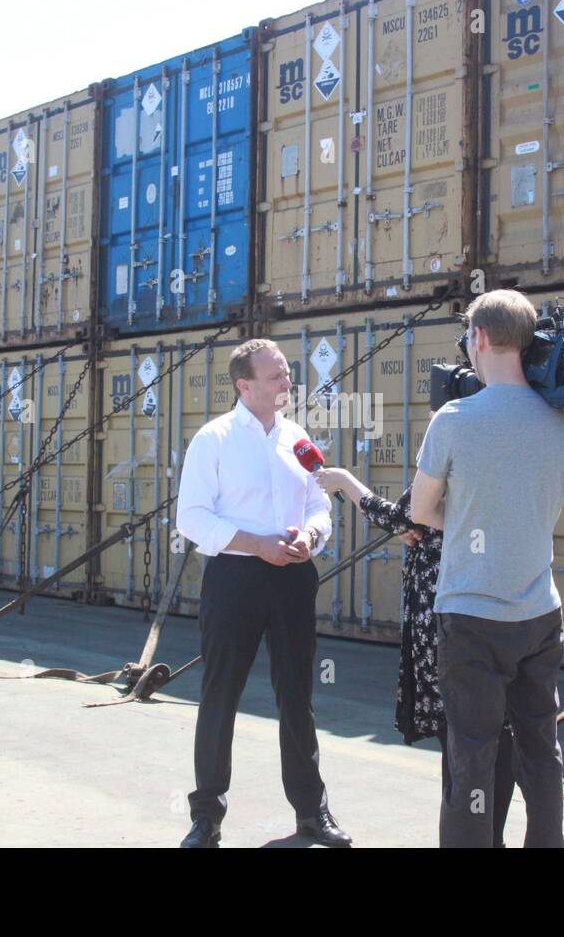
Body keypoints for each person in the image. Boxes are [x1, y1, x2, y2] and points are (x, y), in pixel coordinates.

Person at [408, 289, 564, 848]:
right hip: (539, 613)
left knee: (471, 760)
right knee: (541, 750)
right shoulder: (559, 422)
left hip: (473, 616)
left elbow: (421, 511)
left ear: (478, 338)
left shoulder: (454, 419)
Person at [174, 338, 352, 849]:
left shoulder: (297, 439)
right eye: (276, 376)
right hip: (235, 578)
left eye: (288, 374)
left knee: (297, 695)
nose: (287, 383)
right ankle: (205, 818)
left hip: (293, 576)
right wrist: (255, 544)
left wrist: (312, 536)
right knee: (220, 695)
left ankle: (312, 815)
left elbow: (320, 502)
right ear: (244, 385)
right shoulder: (215, 439)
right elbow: (192, 517)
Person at [312, 464, 517, 847]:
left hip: (446, 612)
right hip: (500, 606)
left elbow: (402, 516)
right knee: (496, 732)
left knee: (458, 737)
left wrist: (343, 482)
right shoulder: (513, 449)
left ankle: (467, 839)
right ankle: (494, 837)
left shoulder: (453, 438)